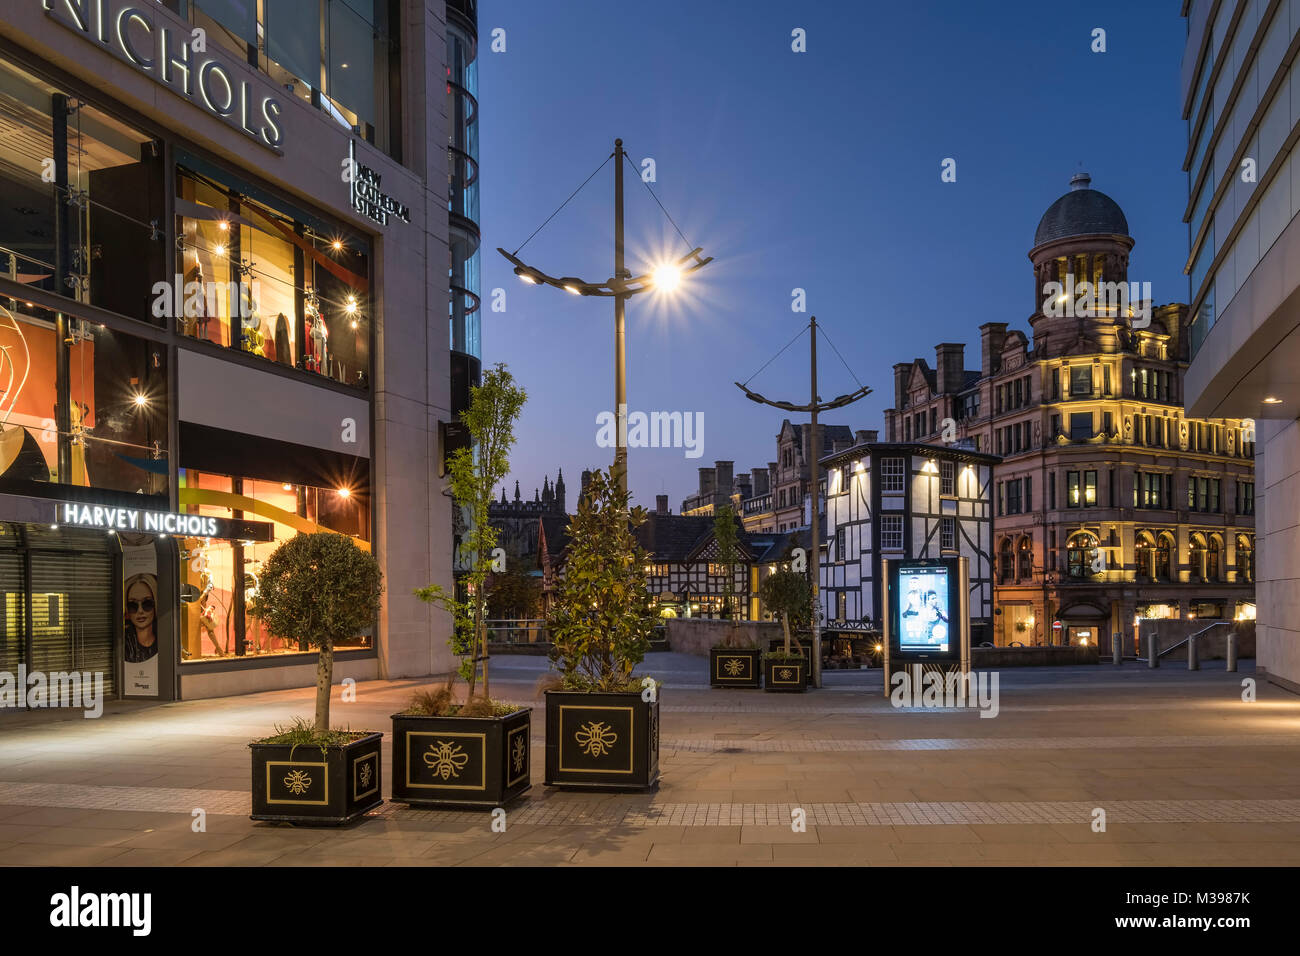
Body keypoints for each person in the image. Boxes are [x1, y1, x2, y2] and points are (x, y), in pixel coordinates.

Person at [124, 573, 159, 662]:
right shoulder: (123, 643)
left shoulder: (166, 639)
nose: (140, 611)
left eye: (147, 603)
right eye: (133, 605)